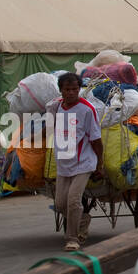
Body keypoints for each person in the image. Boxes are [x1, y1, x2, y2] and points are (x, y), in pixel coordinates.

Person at [46, 72, 104, 251]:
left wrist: (99, 164)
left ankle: (72, 239)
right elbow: (48, 130)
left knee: (73, 201)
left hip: (83, 163)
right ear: (61, 90)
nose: (71, 92)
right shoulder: (56, 108)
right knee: (60, 204)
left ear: (79, 89)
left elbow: (96, 140)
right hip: (63, 163)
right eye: (67, 89)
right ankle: (83, 219)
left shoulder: (87, 109)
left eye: (74, 89)